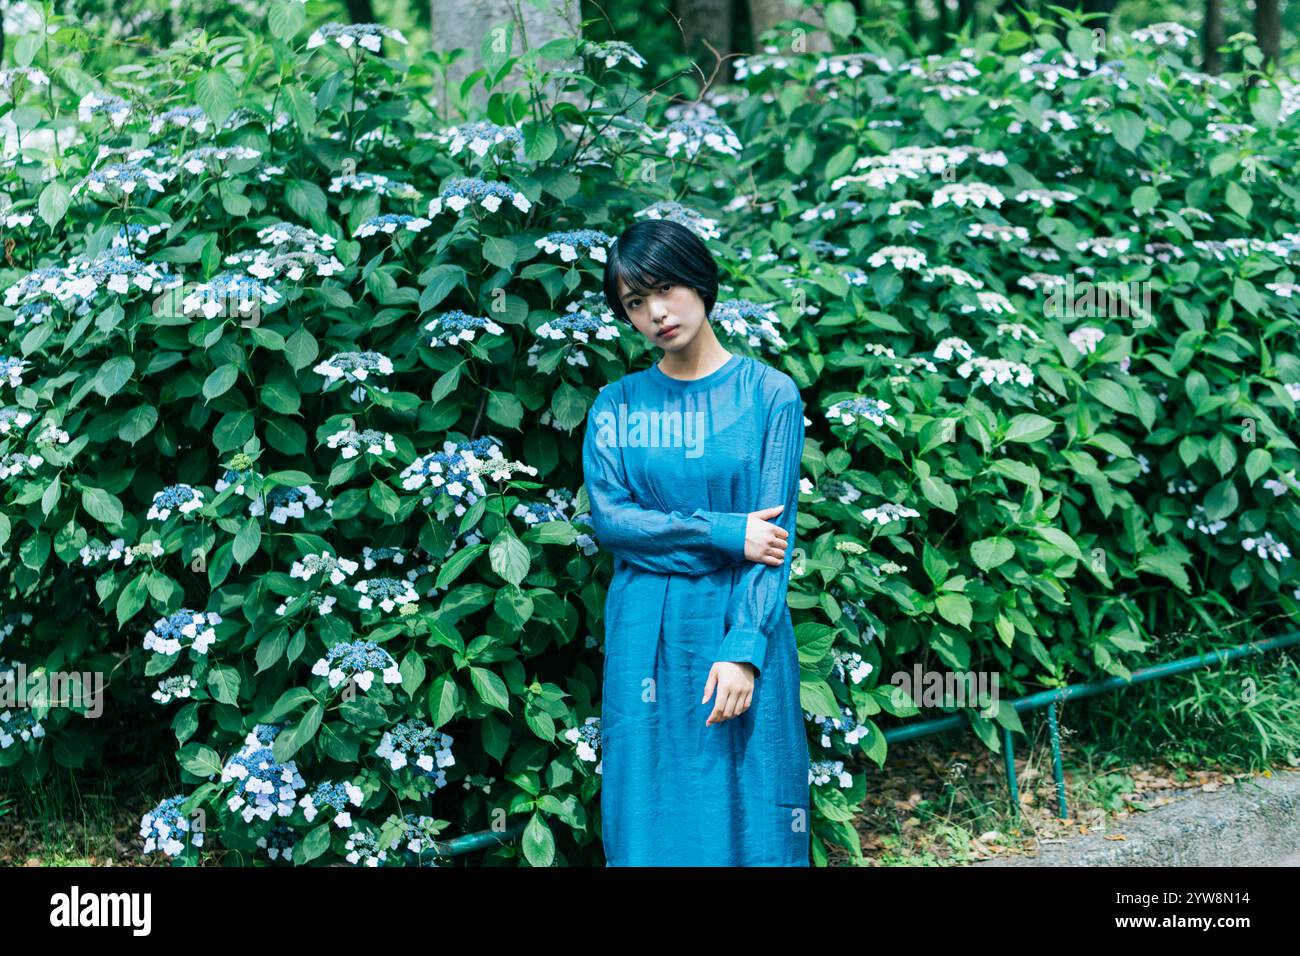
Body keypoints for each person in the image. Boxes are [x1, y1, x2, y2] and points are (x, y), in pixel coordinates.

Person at [581, 219, 810, 866]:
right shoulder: (616, 406)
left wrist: (744, 649)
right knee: (649, 810)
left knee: (755, 799)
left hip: (740, 623)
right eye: (633, 302)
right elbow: (615, 524)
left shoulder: (770, 396)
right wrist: (724, 531)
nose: (655, 312)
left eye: (666, 287)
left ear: (700, 281)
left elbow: (775, 544)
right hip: (646, 633)